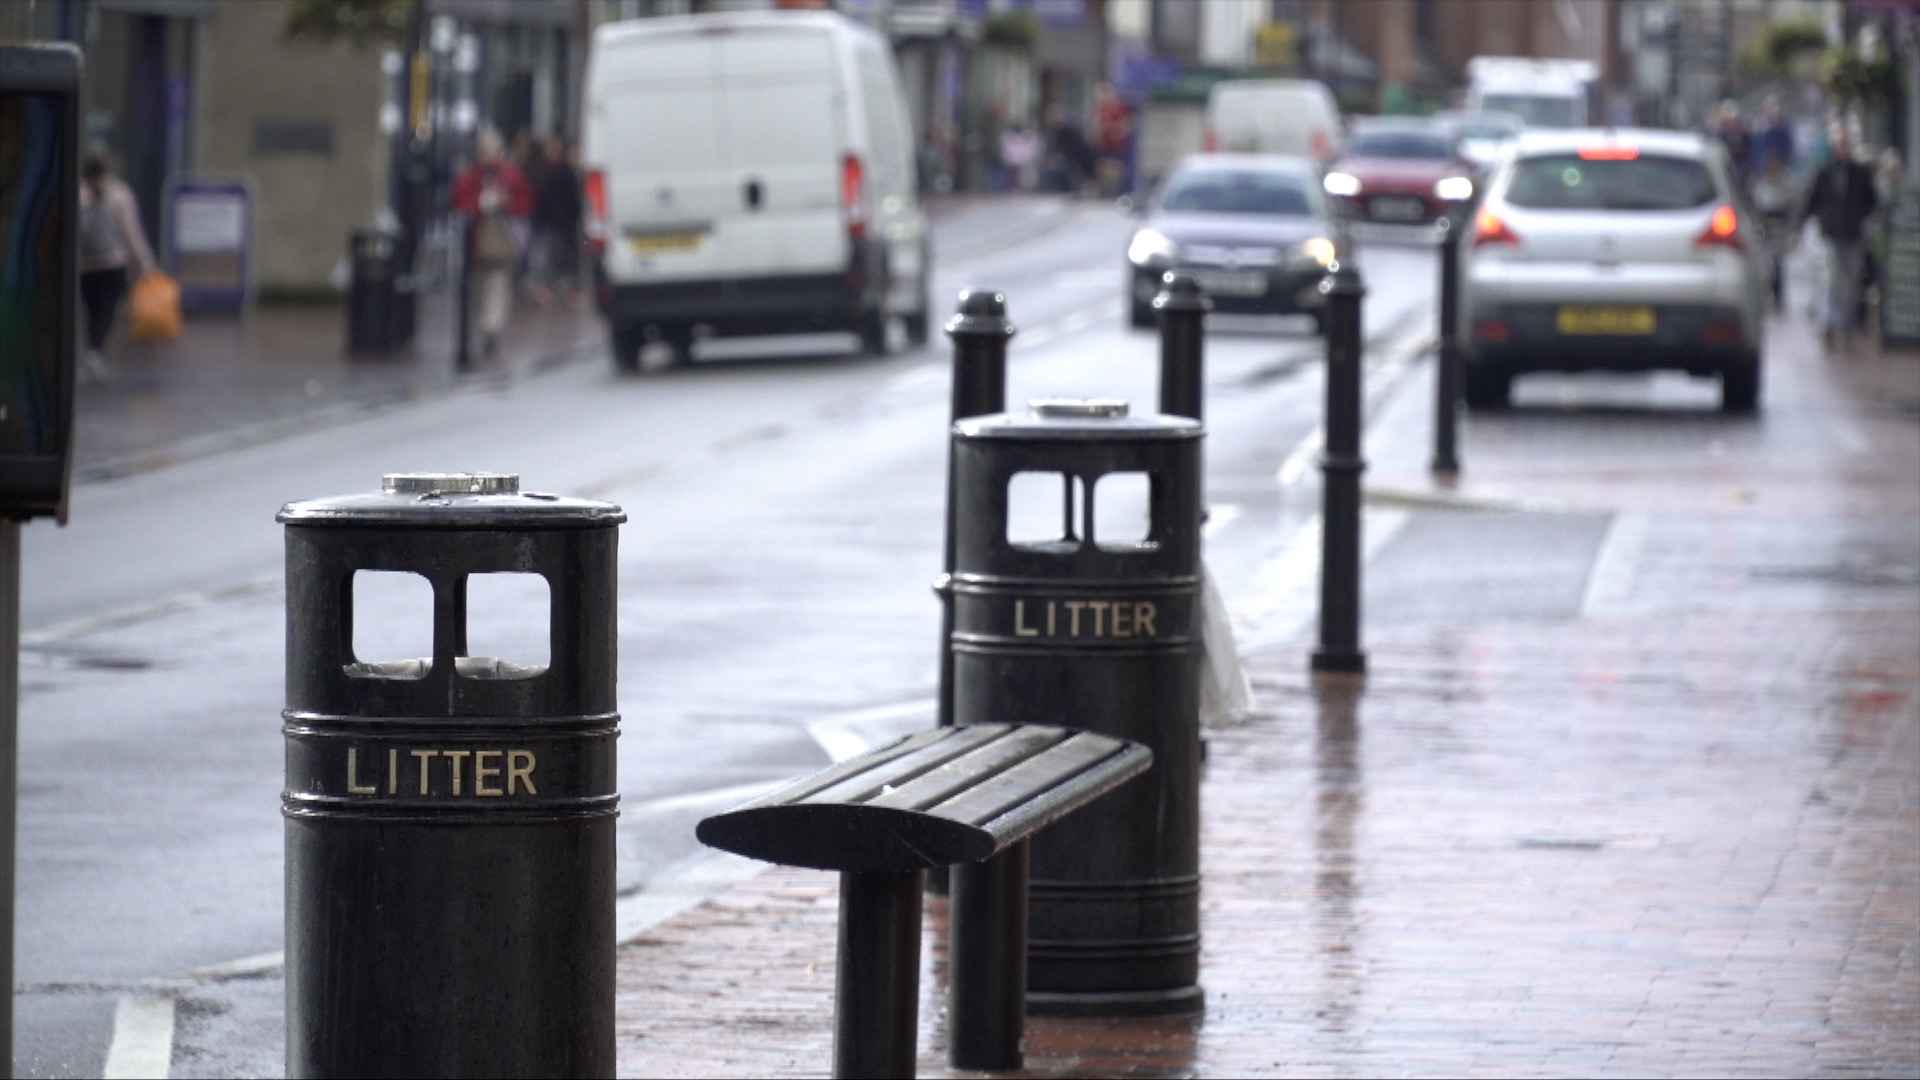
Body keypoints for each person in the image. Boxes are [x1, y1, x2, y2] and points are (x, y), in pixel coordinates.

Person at [452, 129, 534, 359]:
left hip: (502, 243)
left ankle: (491, 329)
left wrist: (505, 202)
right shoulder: (471, 177)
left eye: (489, 151)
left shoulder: (512, 176)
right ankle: (485, 326)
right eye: (482, 151)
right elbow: (460, 201)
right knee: (479, 290)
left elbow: (525, 203)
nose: (485, 155)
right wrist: (481, 202)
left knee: (497, 286)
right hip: (476, 245)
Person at [77, 154, 159, 382]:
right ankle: (96, 351)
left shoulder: (77, 194)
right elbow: (131, 232)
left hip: (85, 266)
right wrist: (145, 262)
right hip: (113, 264)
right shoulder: (119, 193)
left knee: (91, 310)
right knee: (107, 310)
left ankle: (93, 350)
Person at [1797, 122, 1878, 351]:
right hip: (1831, 234)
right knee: (1831, 280)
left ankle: (1846, 325)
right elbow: (1812, 201)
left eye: (1846, 143)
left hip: (1853, 235)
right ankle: (1830, 324)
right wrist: (1801, 226)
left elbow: (1872, 200)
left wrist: (1860, 217)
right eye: (1839, 143)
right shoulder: (1824, 172)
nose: (1842, 147)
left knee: (1851, 282)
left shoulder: (1861, 173)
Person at [527, 134, 583, 308]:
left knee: (563, 257)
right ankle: (547, 289)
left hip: (562, 222)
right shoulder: (542, 170)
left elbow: (573, 200)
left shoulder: (565, 174)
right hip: (547, 222)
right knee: (547, 257)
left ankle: (569, 290)